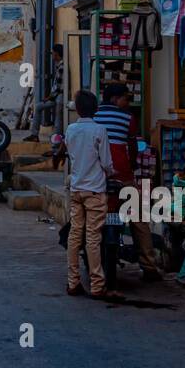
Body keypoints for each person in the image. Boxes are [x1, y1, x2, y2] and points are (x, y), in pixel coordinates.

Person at [95, 83, 158, 281]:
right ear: (115, 99)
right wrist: (131, 167)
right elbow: (132, 146)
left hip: (97, 178)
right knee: (139, 218)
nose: (128, 102)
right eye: (126, 98)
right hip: (123, 176)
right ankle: (149, 265)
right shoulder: (128, 118)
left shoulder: (93, 116)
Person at [64, 89, 114, 298]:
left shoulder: (70, 130)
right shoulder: (99, 130)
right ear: (95, 109)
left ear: (77, 109)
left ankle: (73, 282)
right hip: (94, 190)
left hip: (76, 188)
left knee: (75, 235)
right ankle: (97, 285)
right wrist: (111, 172)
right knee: (93, 238)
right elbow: (107, 163)